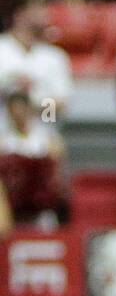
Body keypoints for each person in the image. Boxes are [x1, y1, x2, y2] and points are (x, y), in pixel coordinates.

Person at [0, 85, 67, 225]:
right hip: (13, 203)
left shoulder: (46, 136)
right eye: (13, 110)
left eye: (20, 108)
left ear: (29, 109)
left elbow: (58, 162)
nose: (17, 113)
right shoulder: (4, 139)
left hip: (42, 203)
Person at [0, 0, 72, 121]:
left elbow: (58, 109)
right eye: (38, 8)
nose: (45, 14)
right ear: (19, 14)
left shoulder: (54, 57)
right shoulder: (3, 48)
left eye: (45, 8)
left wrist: (31, 100)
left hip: (42, 136)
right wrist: (10, 85)